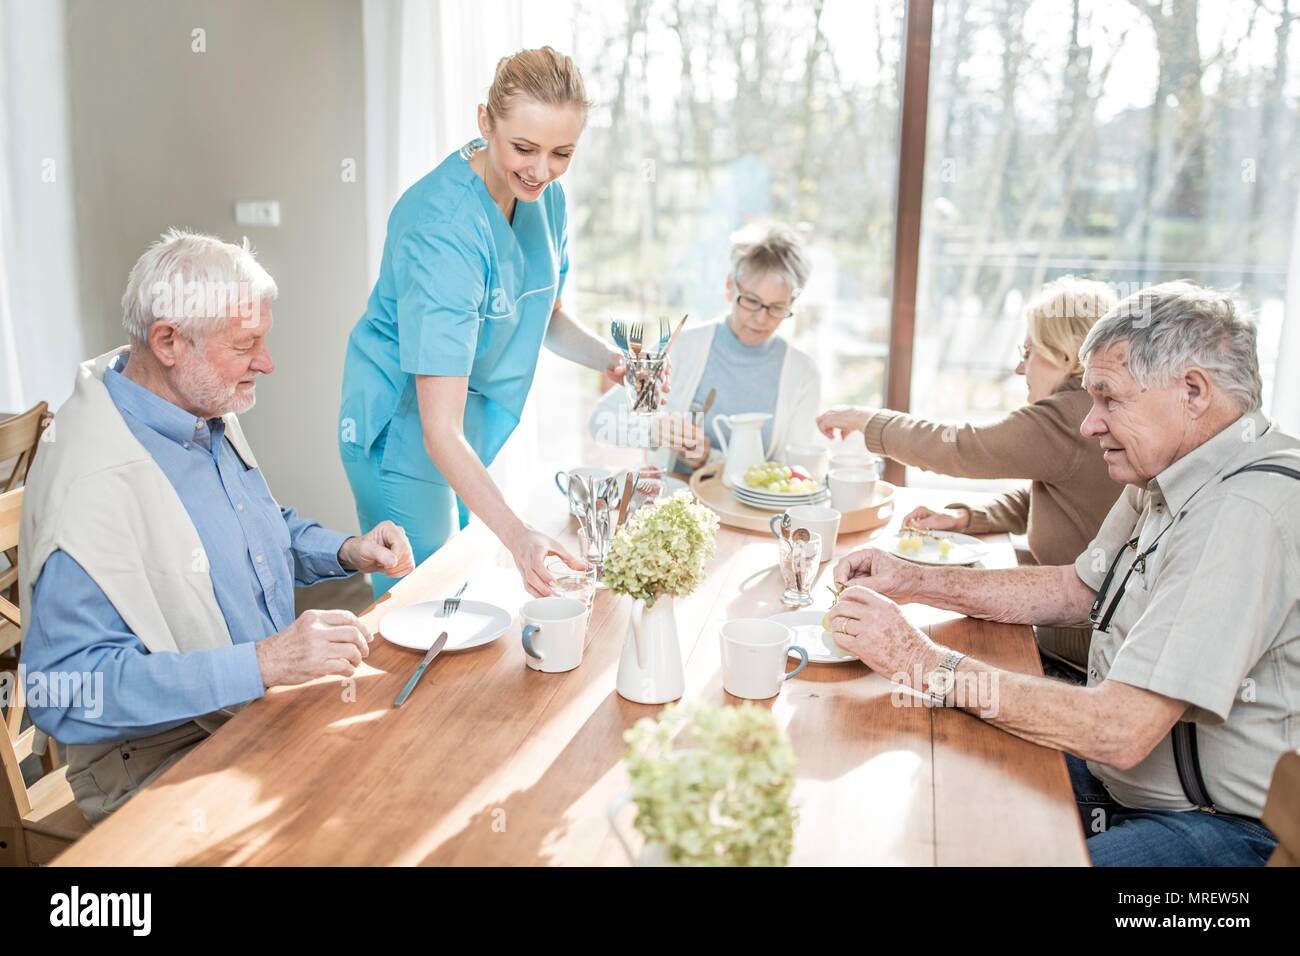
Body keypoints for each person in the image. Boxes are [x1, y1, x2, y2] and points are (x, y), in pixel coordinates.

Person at [826, 282, 1297, 866]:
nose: (1088, 424)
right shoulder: (1164, 475)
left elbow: (1119, 729)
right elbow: (1078, 589)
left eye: (1108, 398)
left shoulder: (1243, 511)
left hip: (1228, 830)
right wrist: (913, 580)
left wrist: (921, 660)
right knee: (935, 786)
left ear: (1193, 391)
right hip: (1127, 783)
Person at [20, 230, 414, 823]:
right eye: (246, 344)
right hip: (160, 764)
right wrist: (263, 663)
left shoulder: (194, 405)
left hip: (263, 706)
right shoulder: (91, 480)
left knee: (412, 761)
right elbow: (66, 692)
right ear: (169, 342)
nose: (267, 362)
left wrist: (347, 550)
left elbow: (251, 529)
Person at [339, 47, 617, 599]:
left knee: (460, 600)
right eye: (524, 148)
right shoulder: (442, 230)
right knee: (424, 608)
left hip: (462, 432)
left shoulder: (545, 197)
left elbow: (547, 312)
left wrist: (612, 360)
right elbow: (437, 428)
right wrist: (519, 537)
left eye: (562, 152)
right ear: (485, 121)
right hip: (405, 433)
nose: (541, 171)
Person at [817, 276, 1124, 669]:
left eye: (1028, 351)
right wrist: (967, 517)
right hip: (1074, 636)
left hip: (1074, 655)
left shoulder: (1068, 414)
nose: (1018, 366)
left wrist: (866, 420)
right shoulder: (1090, 413)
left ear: (1065, 356)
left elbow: (961, 447)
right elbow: (1053, 495)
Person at [589, 221, 822, 474]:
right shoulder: (682, 349)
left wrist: (710, 459)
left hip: (758, 513)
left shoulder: (803, 374)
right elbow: (601, 421)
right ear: (729, 288)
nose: (761, 318)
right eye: (752, 301)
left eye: (777, 307)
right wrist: (654, 430)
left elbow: (796, 473)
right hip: (678, 502)